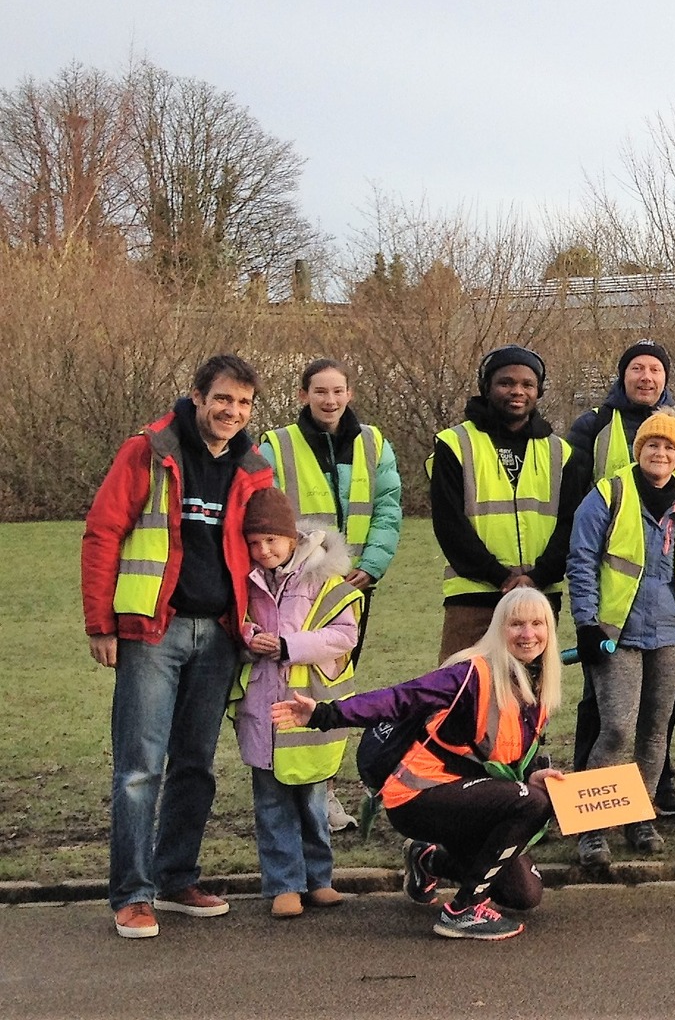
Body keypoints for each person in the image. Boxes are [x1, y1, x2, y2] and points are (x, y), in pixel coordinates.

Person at [83, 354, 275, 940]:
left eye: (243, 403)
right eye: (222, 399)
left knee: (195, 765)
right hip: (152, 633)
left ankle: (174, 878)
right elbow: (104, 531)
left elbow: (269, 545)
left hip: (217, 635)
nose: (231, 412)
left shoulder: (254, 466)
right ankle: (133, 894)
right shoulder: (149, 449)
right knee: (139, 768)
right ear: (197, 396)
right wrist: (100, 624)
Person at [271, 588, 565, 941]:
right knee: (531, 802)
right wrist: (323, 713)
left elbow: (498, 757)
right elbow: (399, 698)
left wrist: (531, 775)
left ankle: (428, 860)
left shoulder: (536, 687)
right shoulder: (470, 674)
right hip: (418, 797)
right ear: (499, 629)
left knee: (523, 895)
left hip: (469, 799)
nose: (527, 634)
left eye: (537, 623)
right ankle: (463, 911)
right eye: (516, 624)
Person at [565, 340, 675, 821]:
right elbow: (580, 541)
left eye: (655, 369)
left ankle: (638, 813)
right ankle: (590, 817)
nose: (646, 376)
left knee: (655, 728)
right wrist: (587, 621)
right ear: (623, 375)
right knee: (610, 724)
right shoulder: (596, 431)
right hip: (615, 626)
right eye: (637, 368)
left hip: (670, 628)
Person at [258, 357, 402, 835]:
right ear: (303, 395)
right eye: (320, 391)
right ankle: (292, 790)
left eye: (338, 390)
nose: (330, 399)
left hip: (352, 586)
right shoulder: (276, 445)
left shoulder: (374, 442)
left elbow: (387, 507)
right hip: (293, 586)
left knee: (337, 688)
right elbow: (262, 511)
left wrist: (371, 566)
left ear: (350, 393)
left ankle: (326, 786)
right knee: (291, 684)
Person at [228, 490, 363, 918]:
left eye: (272, 540)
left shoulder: (323, 580)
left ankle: (319, 879)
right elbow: (235, 627)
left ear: (292, 539)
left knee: (313, 797)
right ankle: (284, 883)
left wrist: (289, 645)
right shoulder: (244, 580)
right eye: (255, 543)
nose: (263, 550)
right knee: (271, 800)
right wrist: (251, 639)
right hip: (264, 708)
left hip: (309, 708)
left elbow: (344, 635)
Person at [429, 345, 586, 661]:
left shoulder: (560, 452)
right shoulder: (455, 443)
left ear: (538, 391)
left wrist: (537, 577)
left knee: (530, 697)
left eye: (527, 384)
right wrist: (499, 577)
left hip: (538, 597)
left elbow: (572, 524)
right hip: (473, 596)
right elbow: (449, 525)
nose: (517, 391)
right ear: (486, 387)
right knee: (462, 695)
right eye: (506, 382)